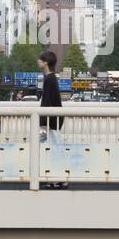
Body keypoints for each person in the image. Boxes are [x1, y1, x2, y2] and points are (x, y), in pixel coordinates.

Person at [38, 50, 67, 189]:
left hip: (49, 123)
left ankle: (57, 178)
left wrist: (44, 122)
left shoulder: (49, 79)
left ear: (45, 62)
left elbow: (48, 102)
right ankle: (53, 177)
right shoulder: (51, 78)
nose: (38, 61)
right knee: (51, 148)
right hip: (52, 121)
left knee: (51, 149)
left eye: (40, 59)